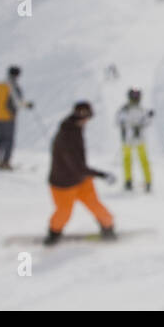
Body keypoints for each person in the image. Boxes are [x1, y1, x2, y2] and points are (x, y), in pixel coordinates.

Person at [45, 102, 116, 245]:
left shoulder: (75, 127)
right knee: (64, 212)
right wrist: (102, 175)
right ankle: (54, 234)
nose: (87, 121)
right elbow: (78, 167)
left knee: (97, 206)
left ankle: (108, 229)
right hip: (63, 184)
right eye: (87, 118)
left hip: (81, 180)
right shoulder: (67, 136)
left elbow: (79, 168)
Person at [0, 65, 32, 170]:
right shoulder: (12, 86)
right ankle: (5, 162)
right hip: (8, 117)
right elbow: (17, 102)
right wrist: (27, 105)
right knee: (9, 140)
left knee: (0, 138)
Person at [117, 88, 154, 192]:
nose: (135, 99)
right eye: (134, 97)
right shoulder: (124, 110)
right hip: (128, 139)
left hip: (139, 138)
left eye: (137, 97)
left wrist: (149, 117)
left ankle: (148, 181)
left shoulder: (141, 110)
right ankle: (128, 180)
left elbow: (146, 122)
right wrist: (130, 127)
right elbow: (119, 121)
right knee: (127, 160)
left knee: (143, 160)